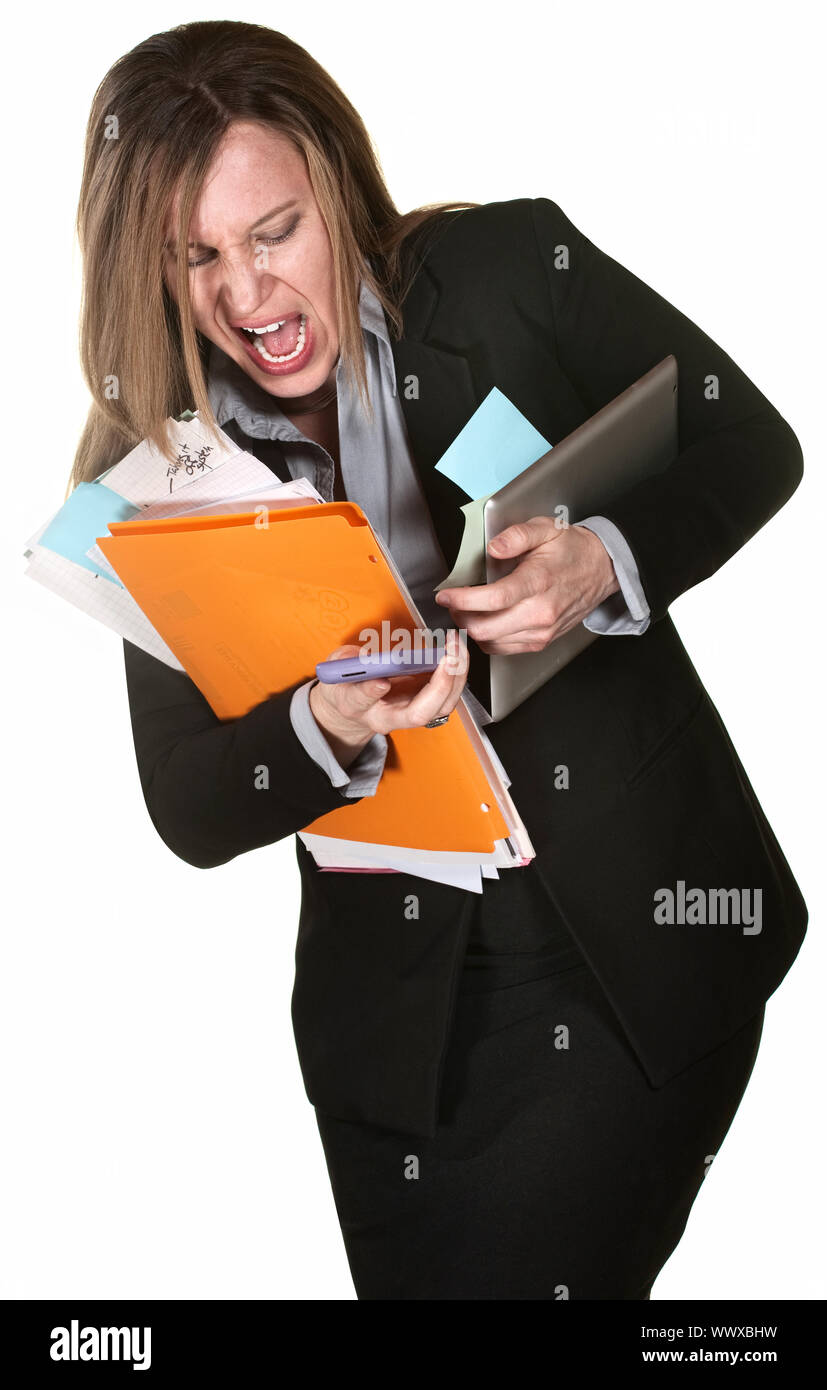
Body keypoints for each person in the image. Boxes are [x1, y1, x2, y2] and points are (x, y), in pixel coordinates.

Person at [70, 20, 807, 1300]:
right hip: (393, 1034)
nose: (244, 295)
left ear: (335, 185)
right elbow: (187, 805)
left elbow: (748, 442)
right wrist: (326, 726)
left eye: (273, 232)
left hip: (620, 951)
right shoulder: (155, 477)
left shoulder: (506, 270)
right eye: (195, 257)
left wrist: (601, 561)